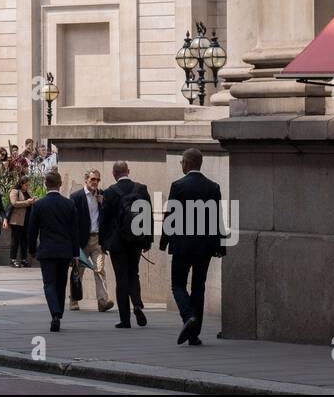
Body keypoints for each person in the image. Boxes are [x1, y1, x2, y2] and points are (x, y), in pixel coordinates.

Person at [159, 148, 225, 346]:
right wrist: (220, 246)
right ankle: (194, 335)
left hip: (182, 245)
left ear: (187, 164)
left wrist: (164, 241)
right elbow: (217, 219)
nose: (181, 165)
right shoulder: (212, 187)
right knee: (199, 287)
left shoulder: (178, 186)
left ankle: (188, 316)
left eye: (182, 162)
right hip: (204, 247)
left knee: (177, 284)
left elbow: (170, 215)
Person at [101, 161, 151, 328]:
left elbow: (104, 220)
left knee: (121, 278)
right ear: (128, 171)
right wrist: (147, 240)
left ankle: (125, 319)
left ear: (114, 174)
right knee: (133, 273)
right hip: (136, 239)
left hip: (117, 243)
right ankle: (137, 304)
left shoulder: (110, 192)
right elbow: (148, 215)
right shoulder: (141, 189)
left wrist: (103, 242)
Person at [25, 170, 77, 332]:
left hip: (47, 251)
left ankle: (54, 313)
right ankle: (59, 313)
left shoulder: (39, 205)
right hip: (64, 251)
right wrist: (75, 253)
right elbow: (74, 231)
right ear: (60, 184)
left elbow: (32, 230)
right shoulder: (69, 204)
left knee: (49, 284)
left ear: (45, 184)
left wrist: (32, 249)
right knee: (61, 284)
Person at [69, 169, 113, 313]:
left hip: (97, 240)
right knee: (78, 270)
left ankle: (102, 301)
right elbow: (72, 222)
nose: (95, 182)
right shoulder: (76, 197)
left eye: (98, 180)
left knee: (100, 269)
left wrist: (104, 203)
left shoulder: (102, 195)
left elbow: (108, 217)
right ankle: (73, 300)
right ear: (86, 180)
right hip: (81, 241)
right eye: (93, 179)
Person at [7, 174, 34, 267]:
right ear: (21, 184)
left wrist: (34, 200)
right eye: (26, 185)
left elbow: (31, 200)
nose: (27, 187)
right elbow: (14, 203)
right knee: (15, 240)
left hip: (27, 219)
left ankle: (24, 259)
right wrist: (27, 202)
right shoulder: (15, 191)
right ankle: (13, 259)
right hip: (17, 220)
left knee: (24, 240)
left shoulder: (28, 192)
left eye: (28, 185)